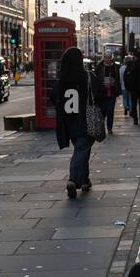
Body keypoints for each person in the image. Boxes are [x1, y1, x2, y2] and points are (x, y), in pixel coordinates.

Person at [49, 45, 95, 199]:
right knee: (81, 150)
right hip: (84, 121)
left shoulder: (61, 81)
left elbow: (52, 97)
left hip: (68, 123)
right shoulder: (87, 76)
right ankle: (73, 180)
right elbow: (100, 93)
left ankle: (85, 180)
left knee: (82, 149)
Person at [91, 50, 121, 135]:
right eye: (106, 58)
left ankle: (109, 128)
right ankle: (101, 127)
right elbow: (95, 80)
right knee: (102, 112)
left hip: (112, 93)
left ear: (111, 58)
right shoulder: (99, 67)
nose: (107, 59)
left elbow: (118, 80)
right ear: (103, 58)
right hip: (102, 94)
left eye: (109, 58)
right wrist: (101, 83)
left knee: (110, 112)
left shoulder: (115, 67)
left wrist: (113, 82)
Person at [124, 49, 140, 125]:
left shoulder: (132, 64)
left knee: (134, 103)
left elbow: (126, 76)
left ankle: (135, 119)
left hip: (133, 88)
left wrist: (127, 86)